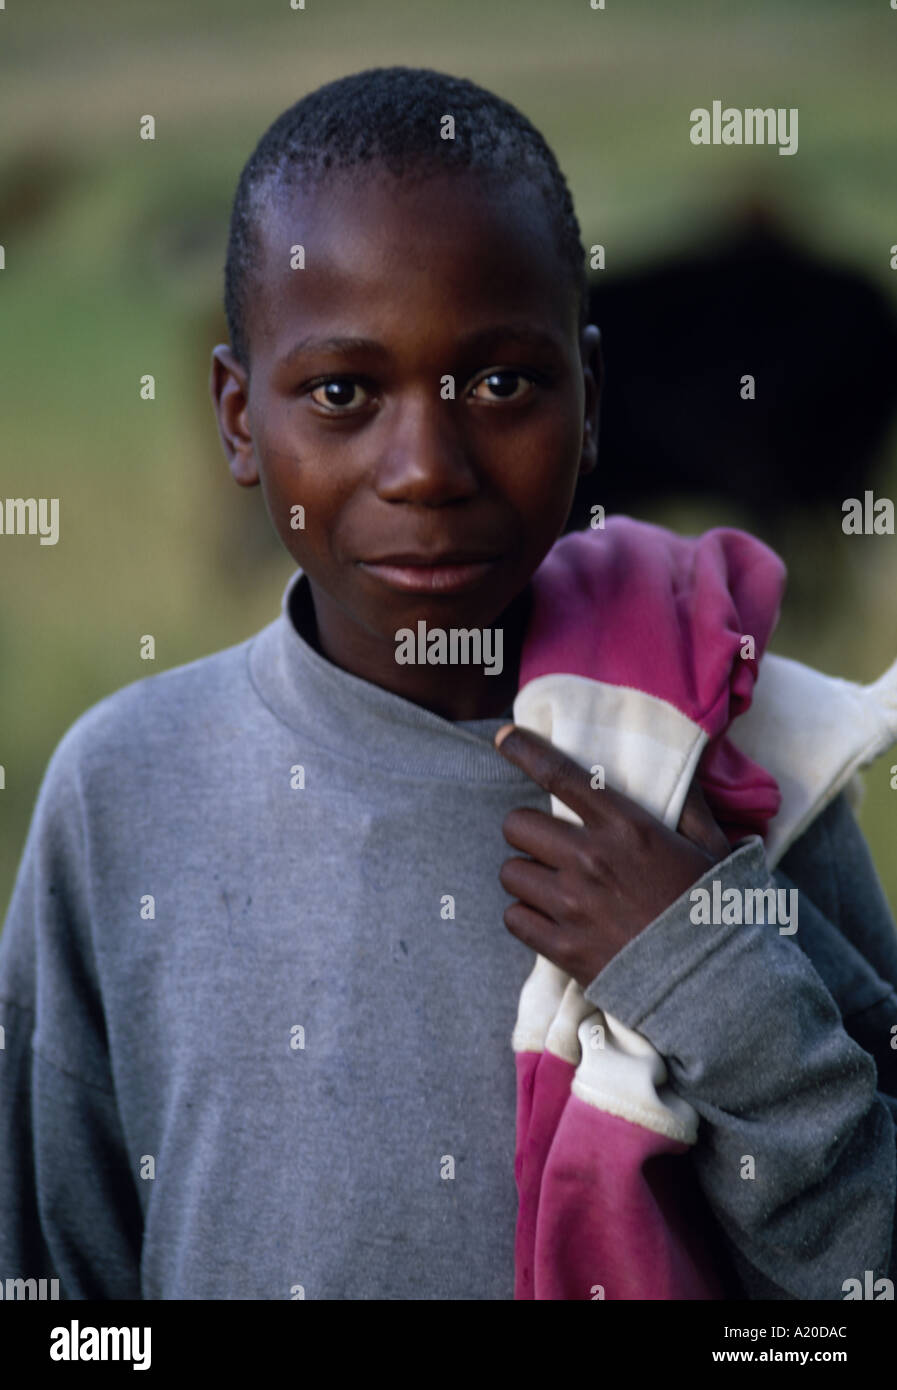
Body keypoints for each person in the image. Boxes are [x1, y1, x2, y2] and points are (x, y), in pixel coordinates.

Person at [1, 66, 895, 1301]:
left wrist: (710, 969)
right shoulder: (119, 788)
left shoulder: (745, 764)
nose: (426, 466)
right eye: (342, 392)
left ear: (589, 404)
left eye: (501, 383)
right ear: (236, 417)